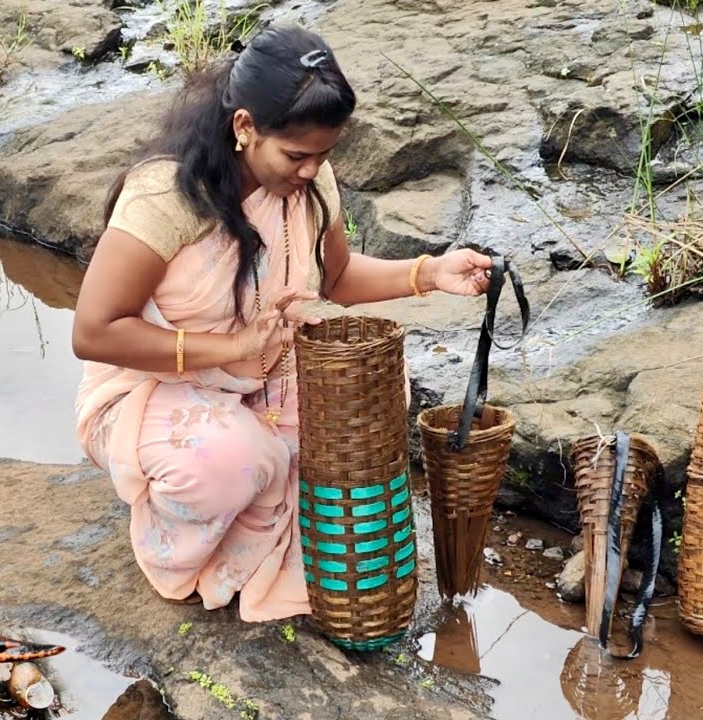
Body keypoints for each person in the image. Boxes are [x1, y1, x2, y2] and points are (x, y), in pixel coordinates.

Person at [71, 24, 493, 622]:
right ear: (245, 127)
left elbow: (336, 277)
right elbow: (93, 332)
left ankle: (262, 505)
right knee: (235, 461)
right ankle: (176, 543)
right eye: (296, 156)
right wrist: (233, 347)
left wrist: (430, 272)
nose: (311, 170)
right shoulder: (166, 196)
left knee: (371, 397)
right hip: (149, 385)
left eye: (324, 154)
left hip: (260, 375)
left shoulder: (310, 181)